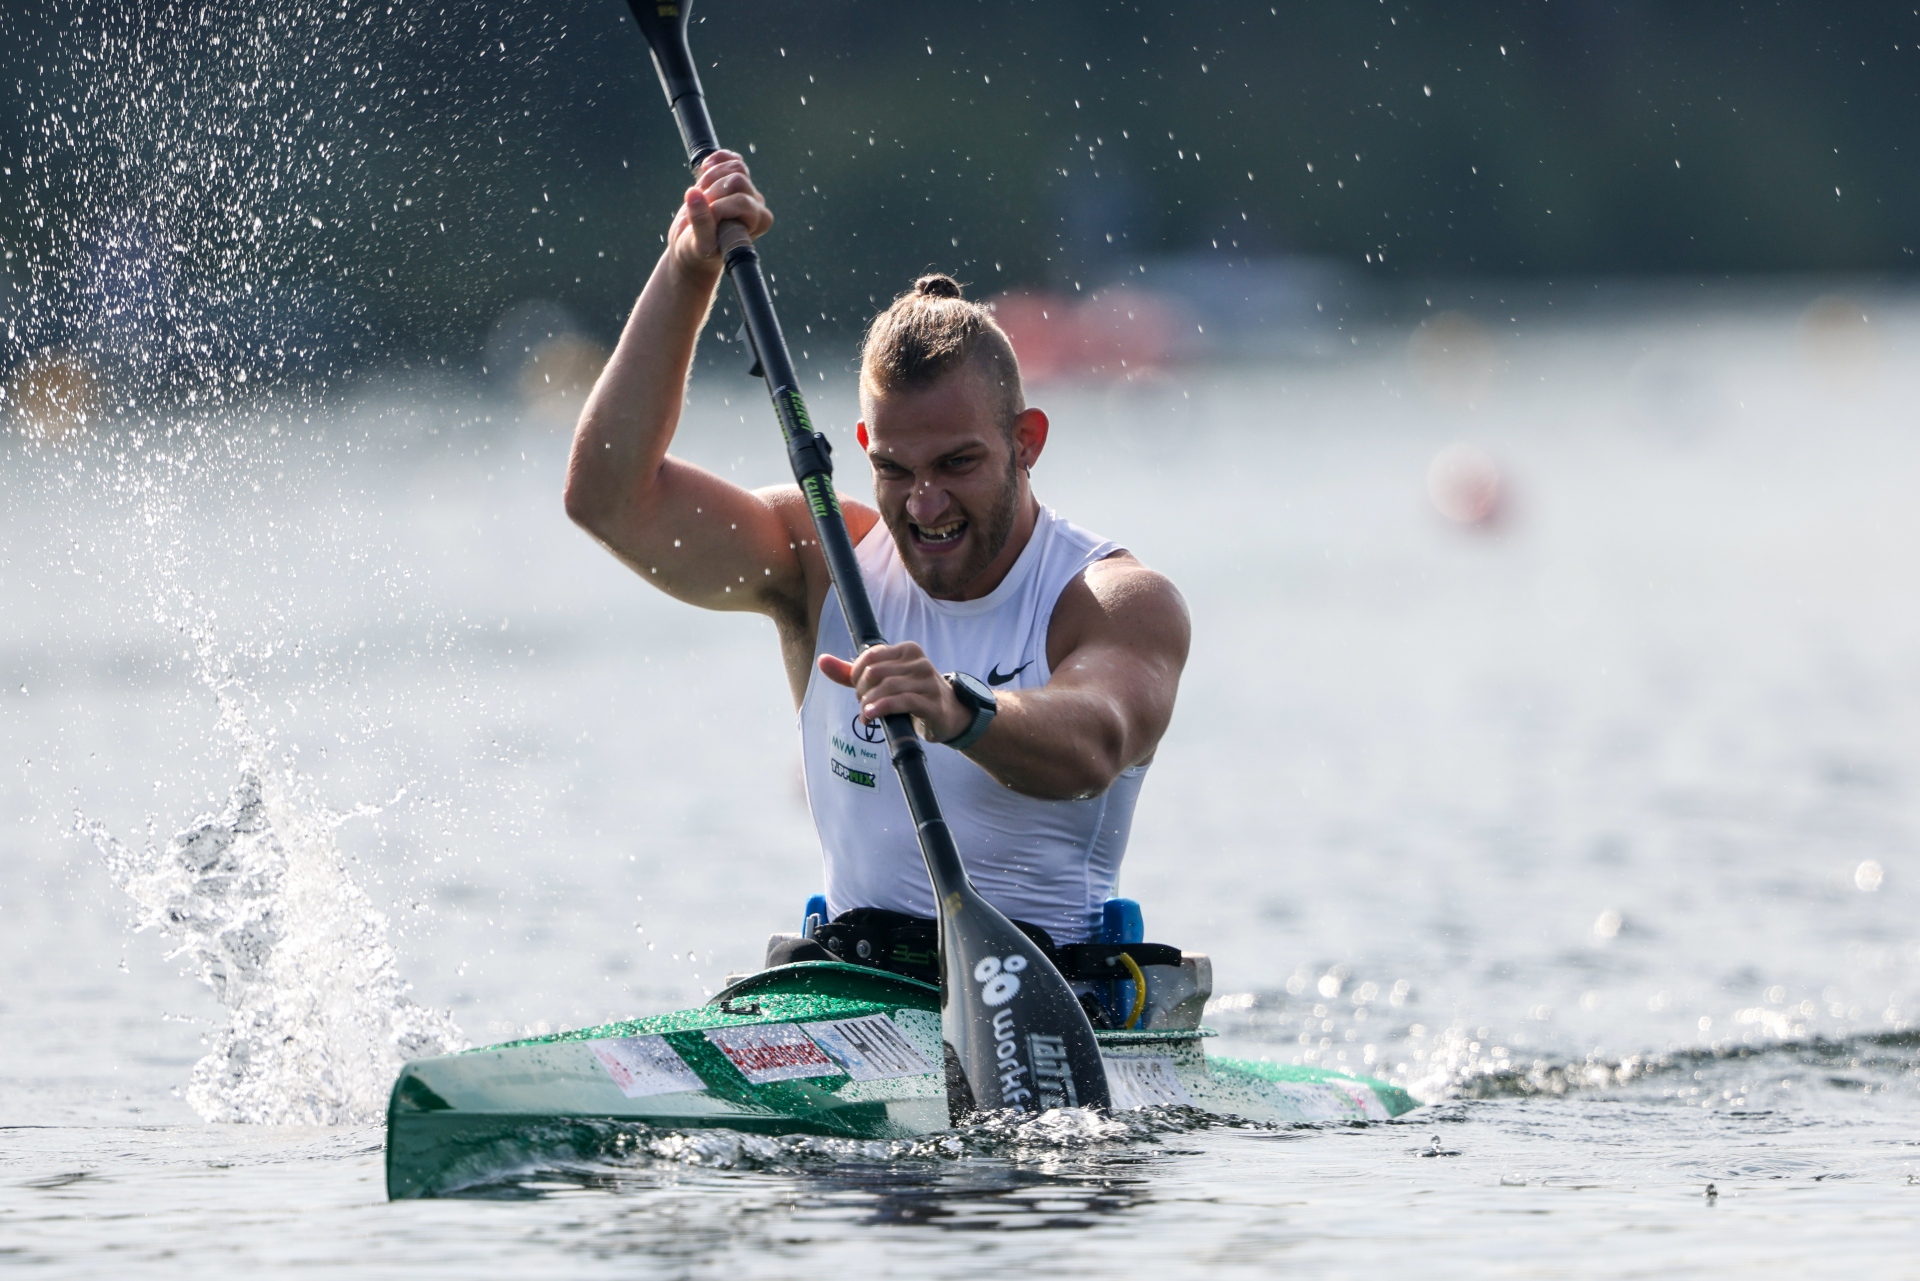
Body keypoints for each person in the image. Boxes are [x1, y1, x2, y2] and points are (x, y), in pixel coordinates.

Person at [563, 151, 1190, 975]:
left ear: (1026, 442)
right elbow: (609, 496)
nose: (925, 503)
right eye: (895, 469)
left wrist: (957, 708)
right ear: (862, 449)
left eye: (958, 464)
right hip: (846, 980)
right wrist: (687, 268)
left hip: (1046, 998)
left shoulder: (1113, 598)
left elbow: (1096, 744)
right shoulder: (824, 563)